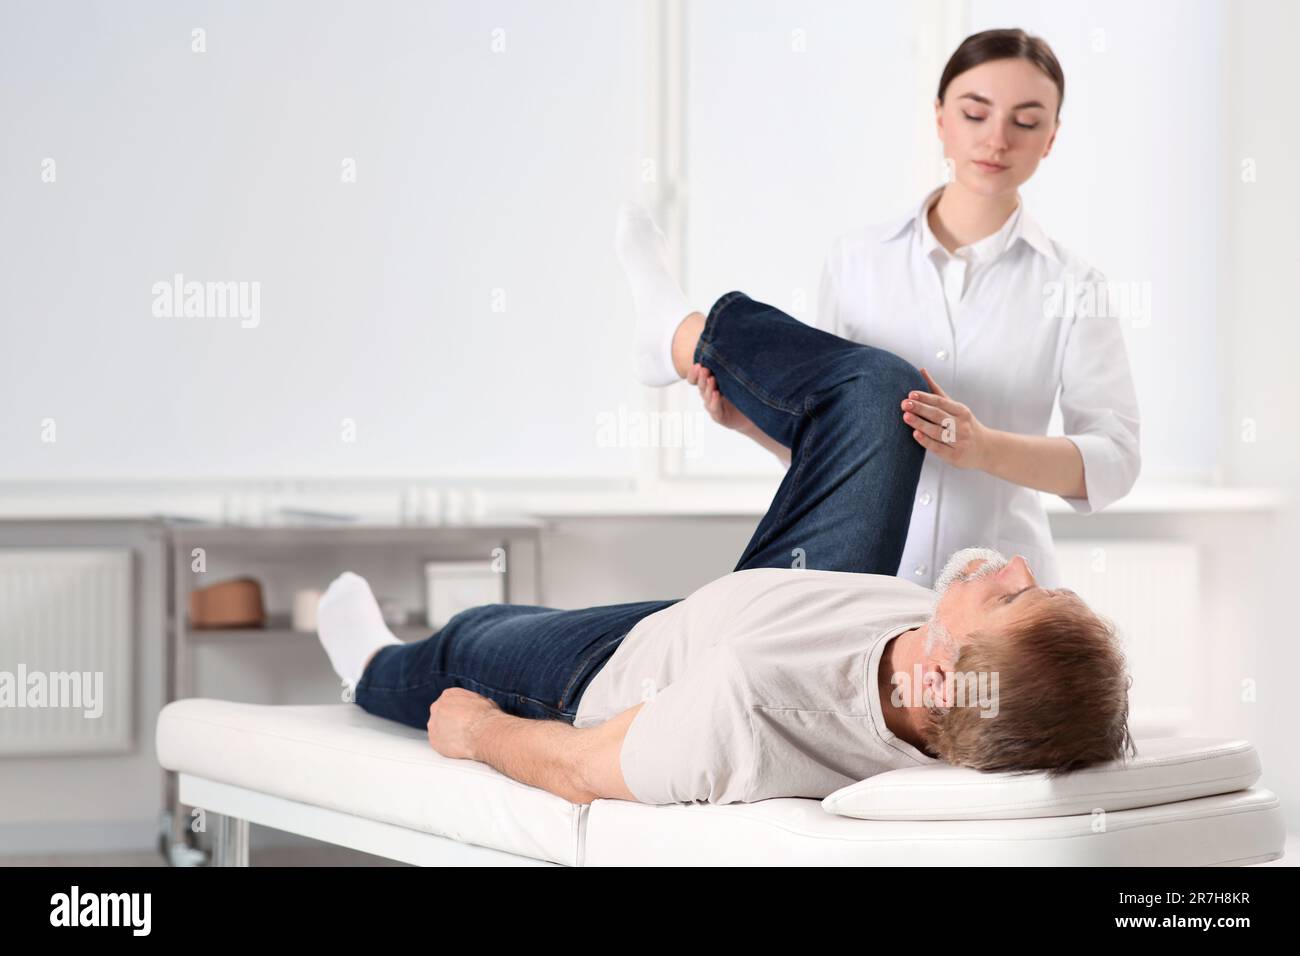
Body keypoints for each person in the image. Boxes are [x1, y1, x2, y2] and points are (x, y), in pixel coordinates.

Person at [315, 213, 1134, 804]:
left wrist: (479, 736)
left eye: (1013, 595)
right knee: (885, 395)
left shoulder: (744, 706)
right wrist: (765, 427)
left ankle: (368, 672)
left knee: (474, 640)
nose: (1019, 564)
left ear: (935, 675)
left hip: (645, 660)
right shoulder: (945, 663)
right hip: (795, 599)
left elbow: (580, 768)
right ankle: (679, 335)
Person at [688, 28, 1141, 589]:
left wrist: (985, 448)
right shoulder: (857, 260)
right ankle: (671, 335)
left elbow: (1115, 460)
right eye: (976, 114)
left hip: (996, 599)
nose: (997, 139)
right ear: (940, 118)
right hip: (869, 585)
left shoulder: (1074, 286)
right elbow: (837, 443)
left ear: (1050, 138)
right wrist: (752, 425)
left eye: (1025, 122)